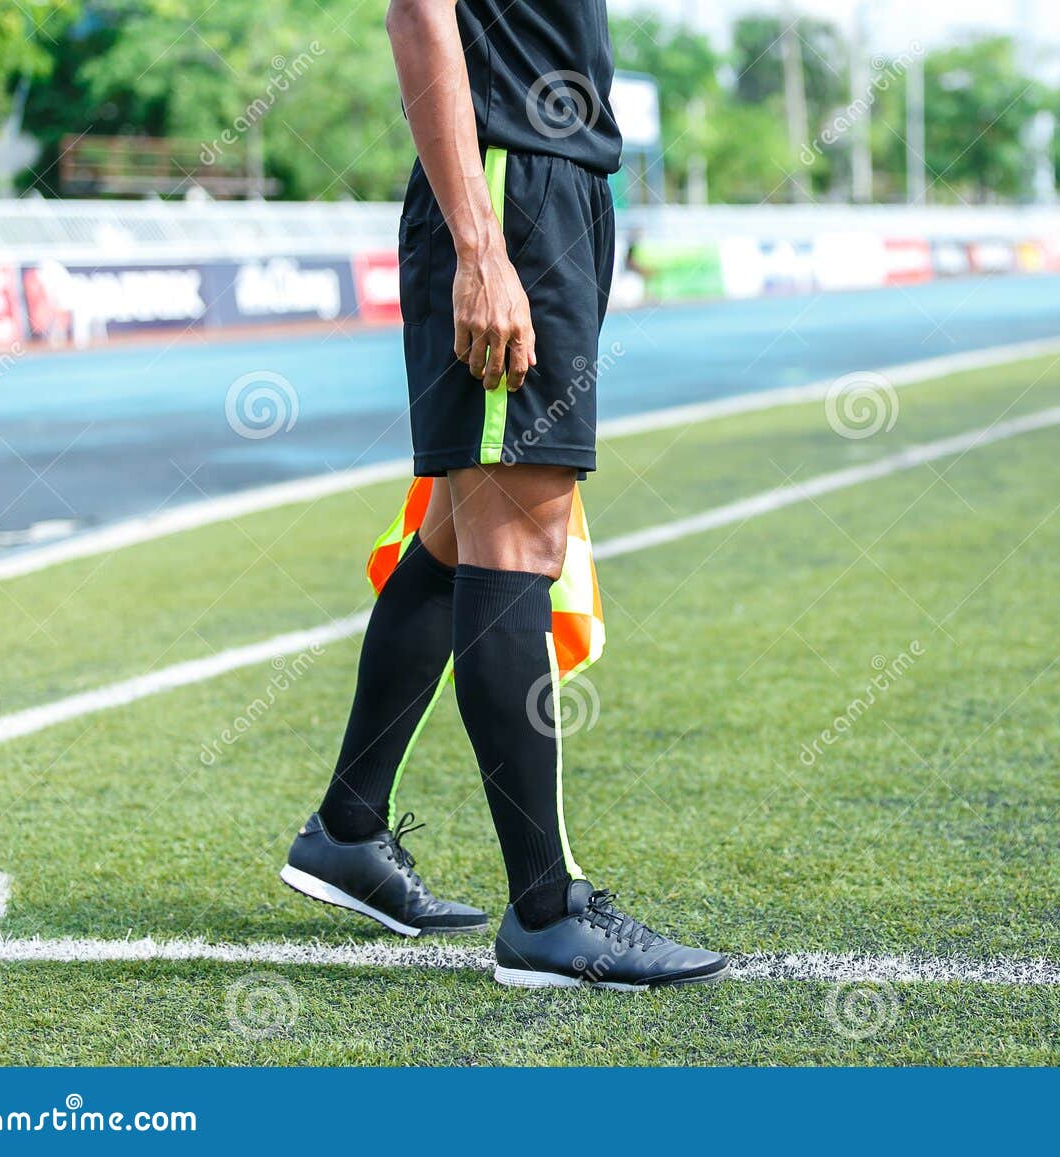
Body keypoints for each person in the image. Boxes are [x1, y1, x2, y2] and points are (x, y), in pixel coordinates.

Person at [279, 0, 727, 991]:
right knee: (518, 536)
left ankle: (347, 829)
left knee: (456, 530)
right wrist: (480, 250)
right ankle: (545, 912)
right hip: (505, 183)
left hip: (550, 181)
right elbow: (416, 12)